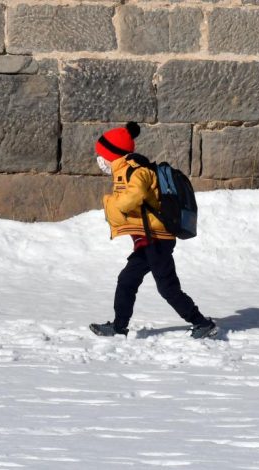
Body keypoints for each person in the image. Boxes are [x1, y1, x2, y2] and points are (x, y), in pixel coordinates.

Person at [89, 122, 218, 340]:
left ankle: (202, 323)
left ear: (112, 155)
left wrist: (112, 203)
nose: (99, 160)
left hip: (157, 240)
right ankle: (119, 327)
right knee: (126, 281)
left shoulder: (139, 172)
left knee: (167, 287)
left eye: (101, 155)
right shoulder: (126, 171)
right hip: (147, 240)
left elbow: (134, 196)